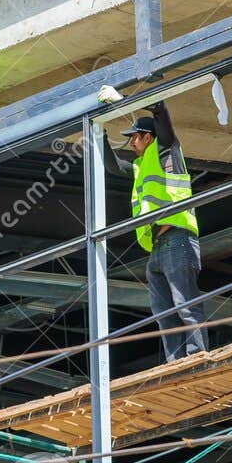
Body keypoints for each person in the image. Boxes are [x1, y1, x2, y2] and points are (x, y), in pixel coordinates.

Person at [98, 85, 208, 361]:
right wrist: (99, 134)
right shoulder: (141, 166)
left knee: (185, 304)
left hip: (178, 239)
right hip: (158, 248)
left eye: (134, 137)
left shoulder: (167, 151)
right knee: (164, 313)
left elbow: (161, 113)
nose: (131, 143)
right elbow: (113, 166)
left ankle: (197, 356)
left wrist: (126, 102)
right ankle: (176, 362)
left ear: (148, 137)